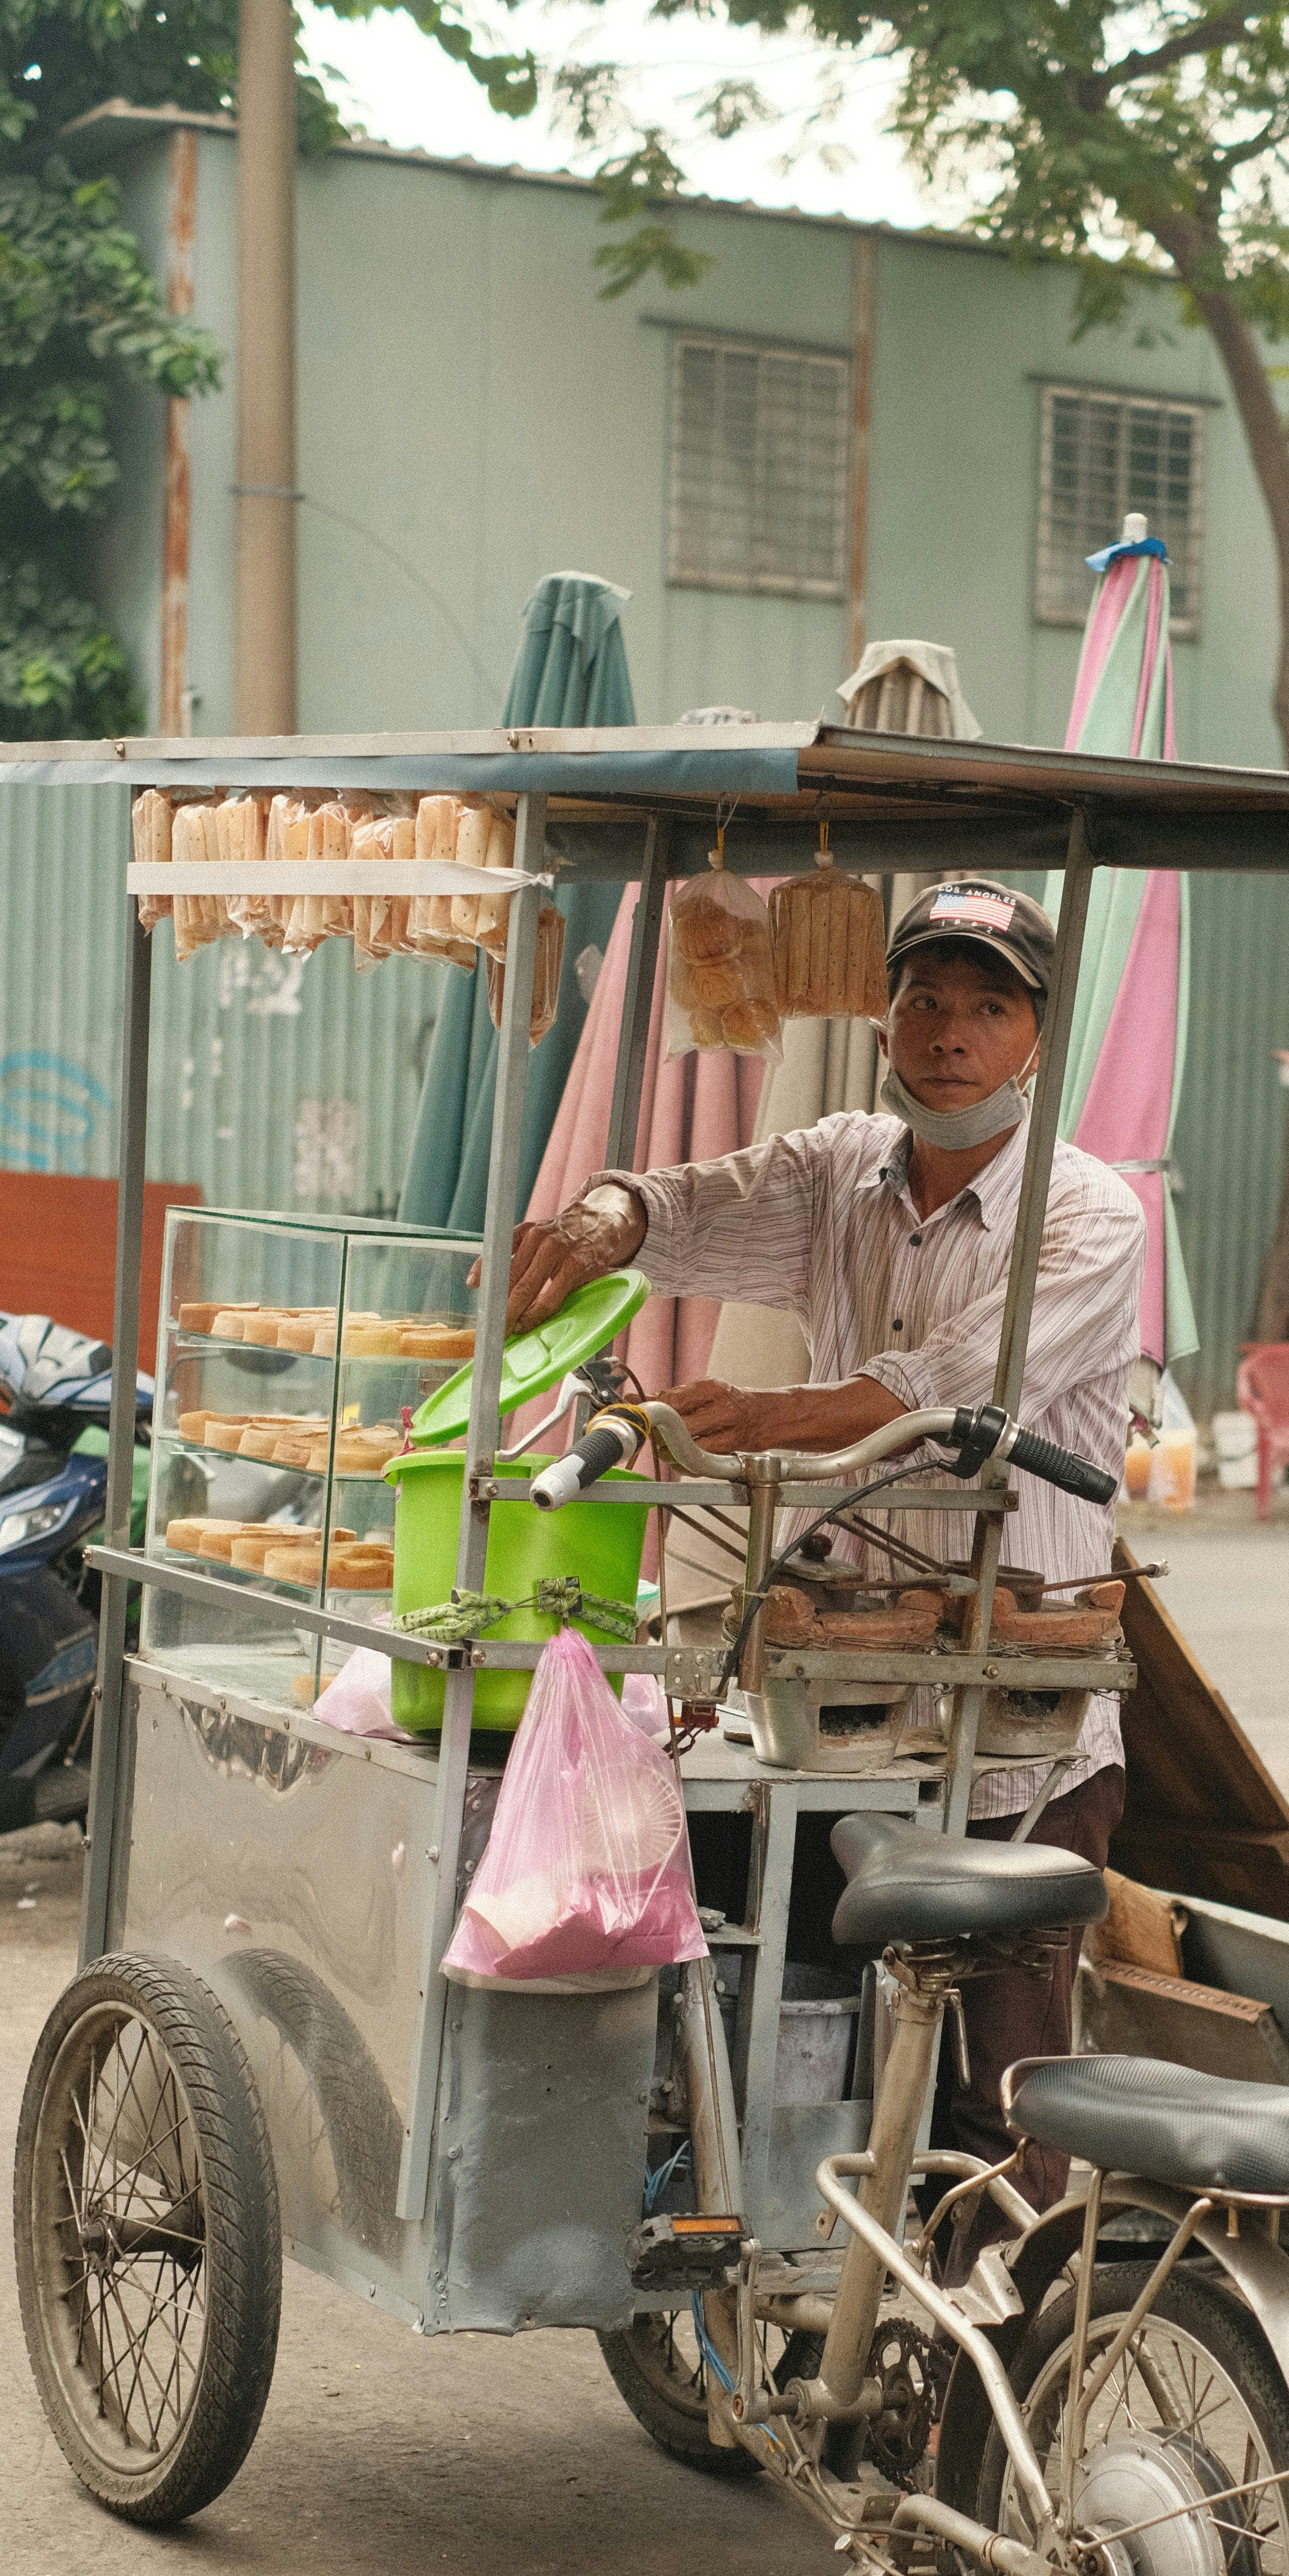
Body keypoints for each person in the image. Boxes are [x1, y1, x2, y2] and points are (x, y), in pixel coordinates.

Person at [498, 878, 1146, 2230]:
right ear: (890, 1013)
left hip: (1011, 1723)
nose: (947, 1032)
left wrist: (770, 1419)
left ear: (1039, 1036)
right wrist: (610, 1214)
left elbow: (955, 1388)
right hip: (838, 1705)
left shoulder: (1091, 1217)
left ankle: (988, 2371)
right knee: (794, 2027)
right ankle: (788, 2291)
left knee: (998, 2097)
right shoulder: (843, 1165)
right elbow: (687, 1205)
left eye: (988, 1007)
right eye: (924, 999)